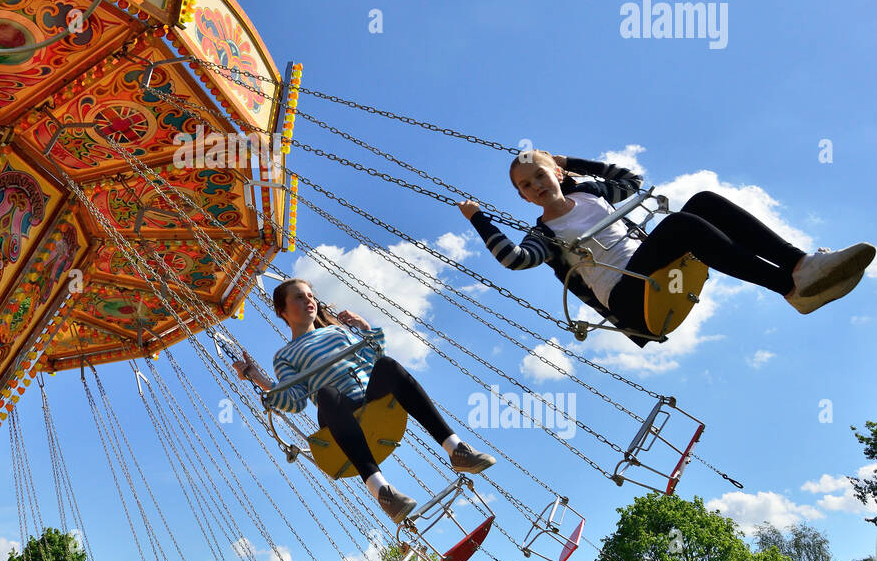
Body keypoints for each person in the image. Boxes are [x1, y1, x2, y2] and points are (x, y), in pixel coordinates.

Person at [459, 150, 874, 346]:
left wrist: (570, 160)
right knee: (679, 224)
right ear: (524, 198)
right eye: (525, 186)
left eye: (539, 175)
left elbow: (631, 180)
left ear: (557, 173)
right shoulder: (544, 235)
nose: (535, 186)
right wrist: (478, 218)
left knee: (704, 202)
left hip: (656, 273)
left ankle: (799, 268)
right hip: (631, 298)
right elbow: (513, 259)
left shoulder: (589, 193)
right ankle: (790, 284)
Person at [233, 278, 495, 524]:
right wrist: (257, 377)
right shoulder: (285, 356)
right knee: (325, 392)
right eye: (299, 298)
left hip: (371, 400)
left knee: (388, 365)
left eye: (311, 295)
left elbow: (373, 357)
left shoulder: (336, 332)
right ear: (283, 310)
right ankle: (381, 490)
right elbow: (294, 401)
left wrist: (365, 328)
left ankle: (456, 448)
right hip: (338, 413)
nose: (309, 301)